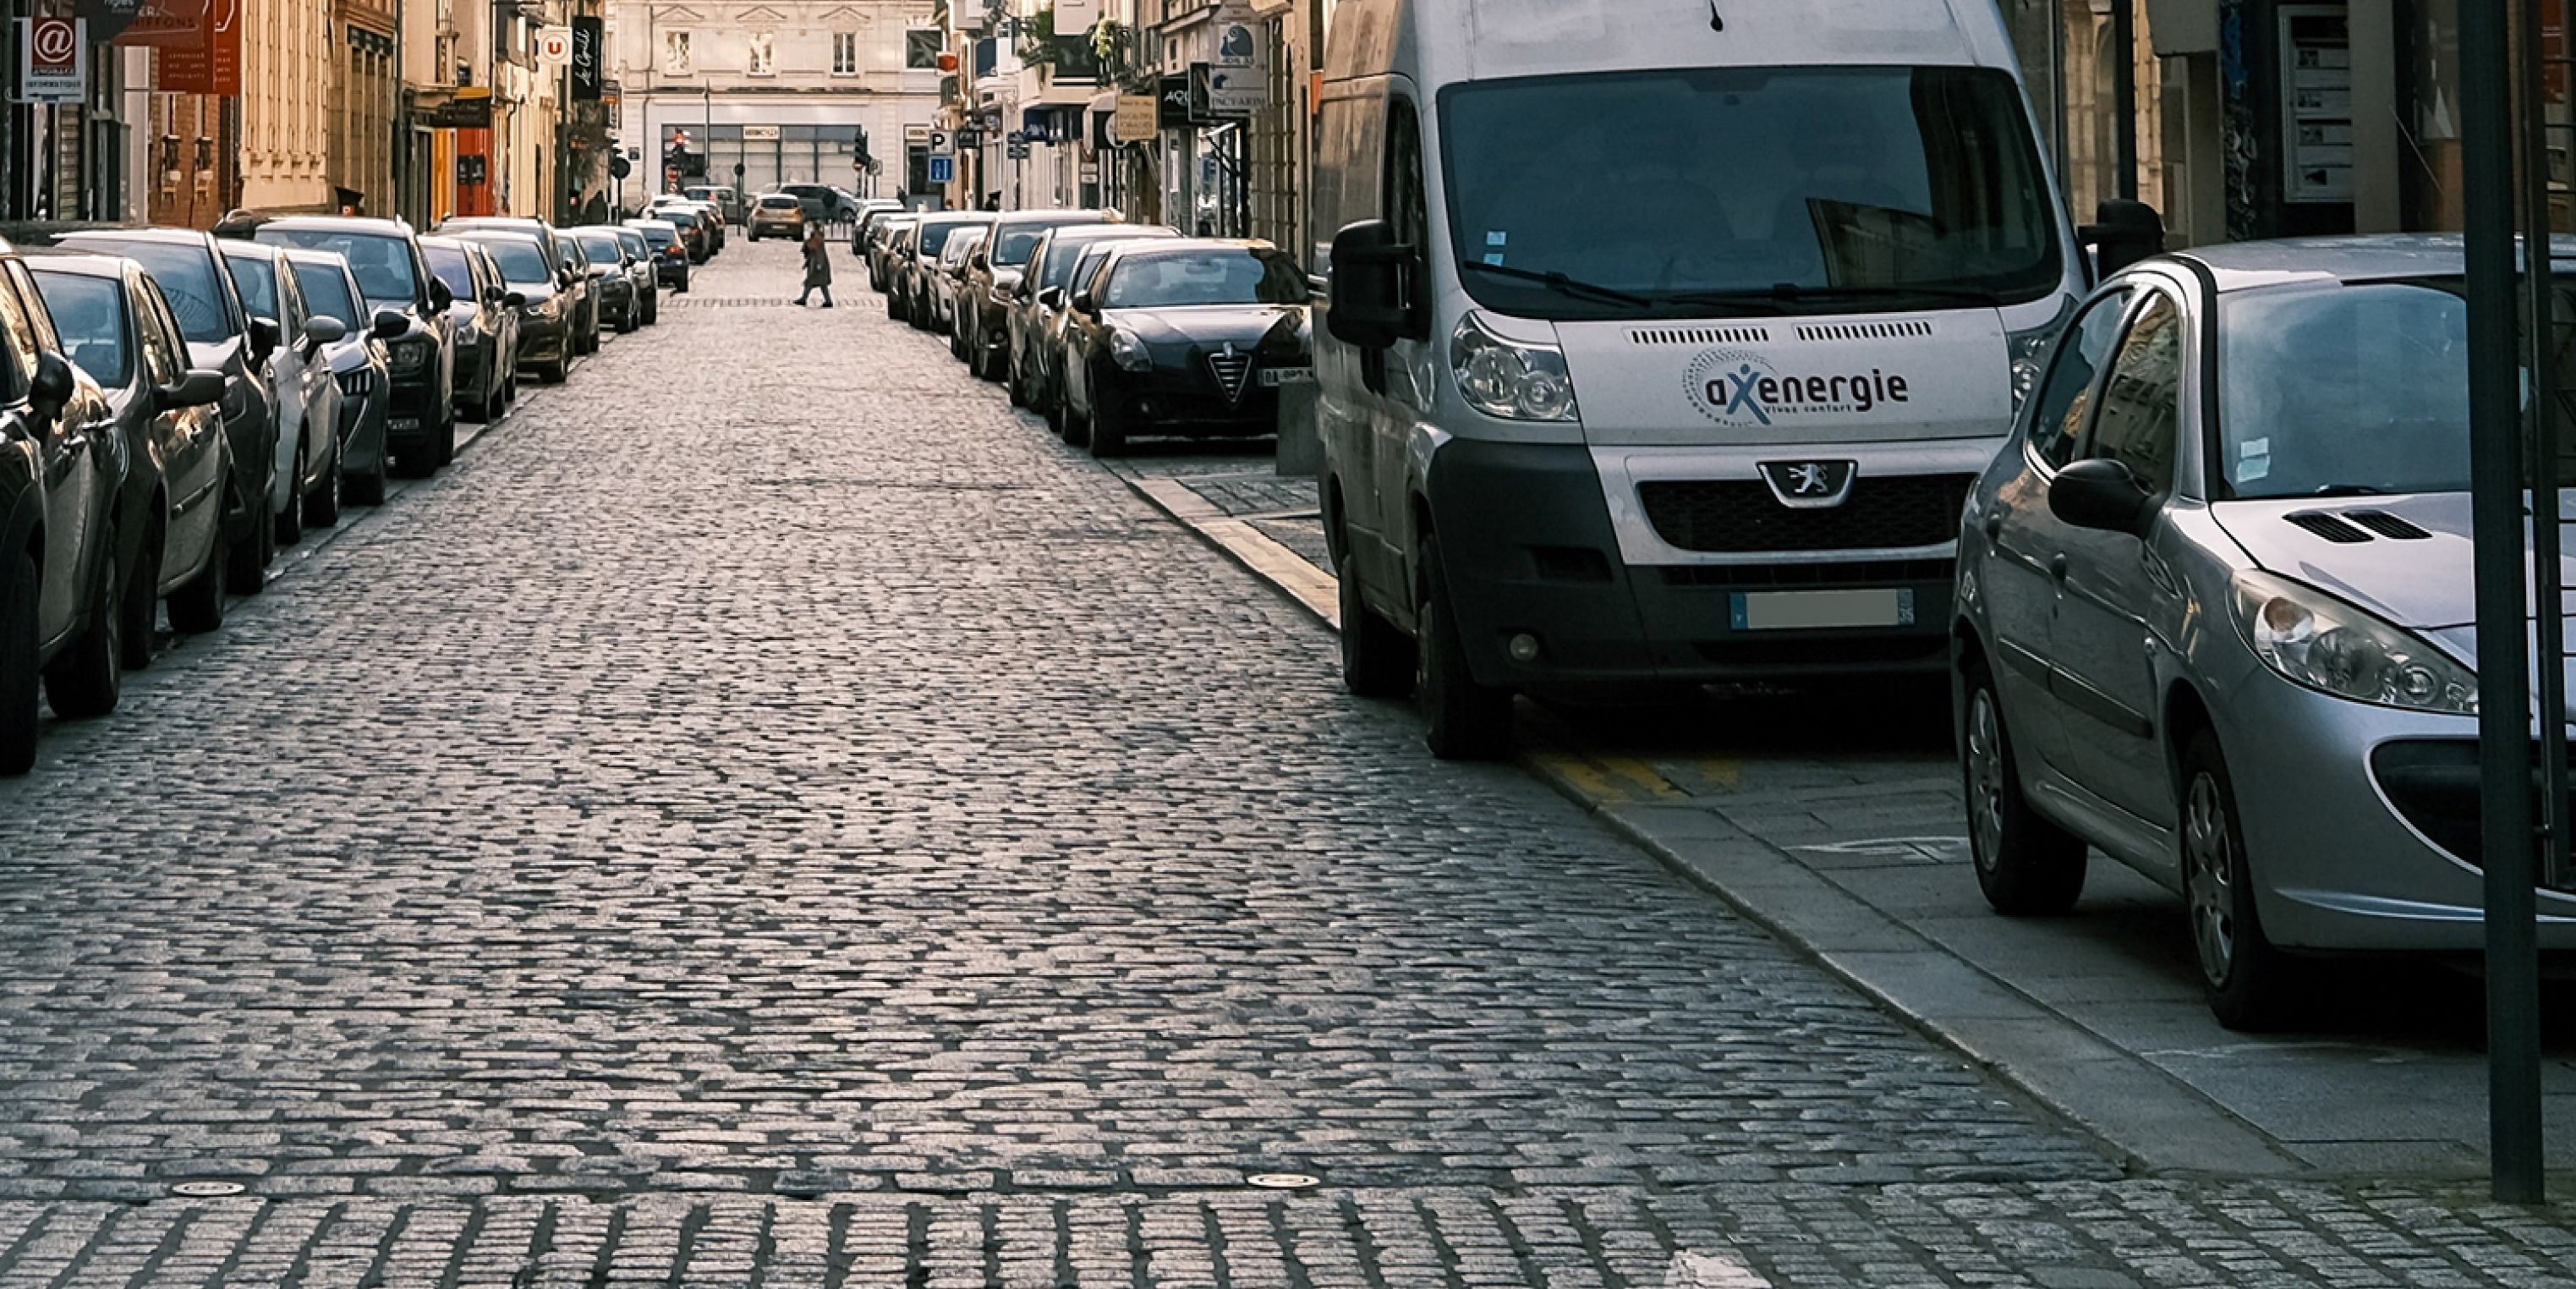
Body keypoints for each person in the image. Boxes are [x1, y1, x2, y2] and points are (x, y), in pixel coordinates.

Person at [797, 227, 835, 307]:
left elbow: (819, 255)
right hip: (816, 266)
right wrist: (807, 264)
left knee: (810, 283)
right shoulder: (816, 243)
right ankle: (828, 300)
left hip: (817, 267)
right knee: (822, 284)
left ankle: (804, 299)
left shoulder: (816, 244)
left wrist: (819, 265)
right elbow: (810, 256)